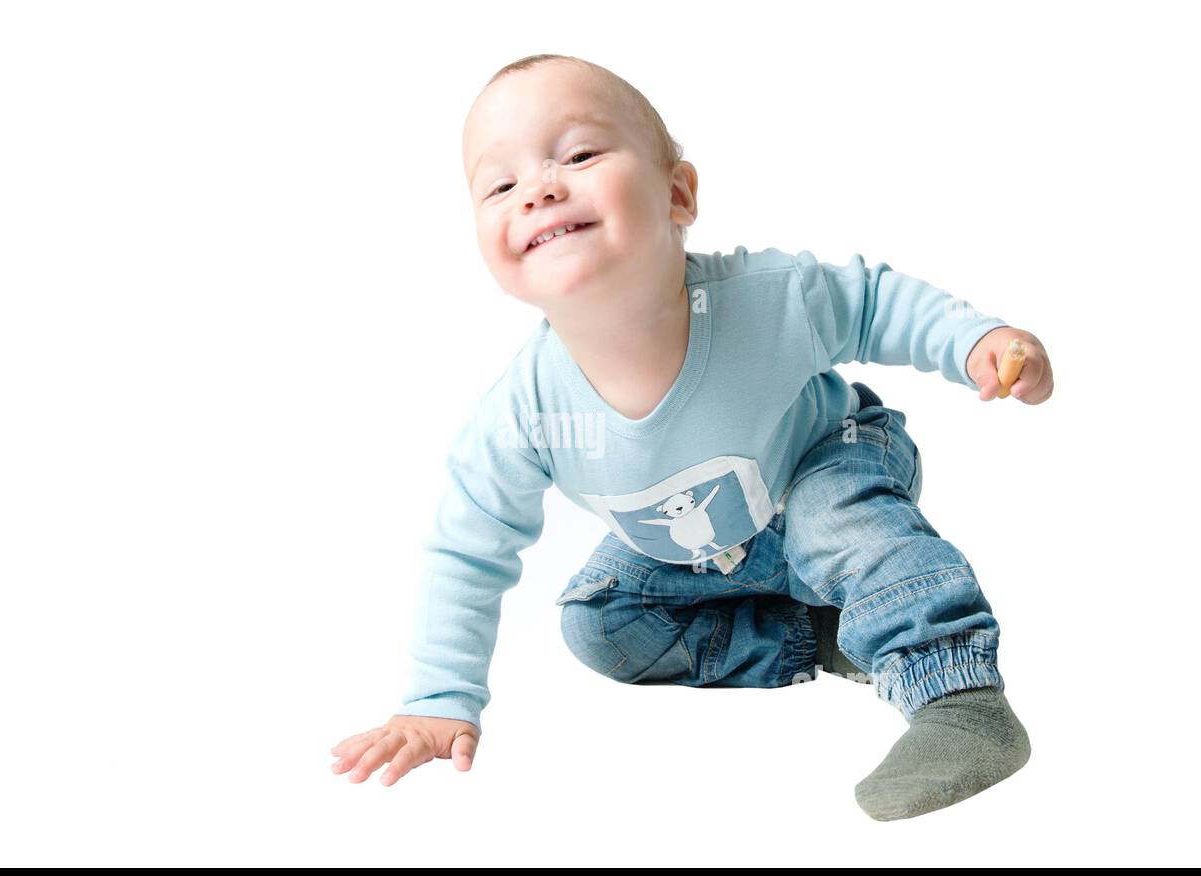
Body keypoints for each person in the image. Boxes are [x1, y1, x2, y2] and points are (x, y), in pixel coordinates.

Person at [331, 54, 1054, 821]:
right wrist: (439, 696)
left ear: (678, 194)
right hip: (716, 549)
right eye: (501, 185)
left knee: (832, 519)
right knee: (598, 622)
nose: (540, 187)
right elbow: (467, 547)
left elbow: (873, 303)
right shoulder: (522, 413)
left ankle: (957, 695)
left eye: (578, 156)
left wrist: (980, 341)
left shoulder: (766, 302)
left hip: (828, 457)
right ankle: (825, 634)